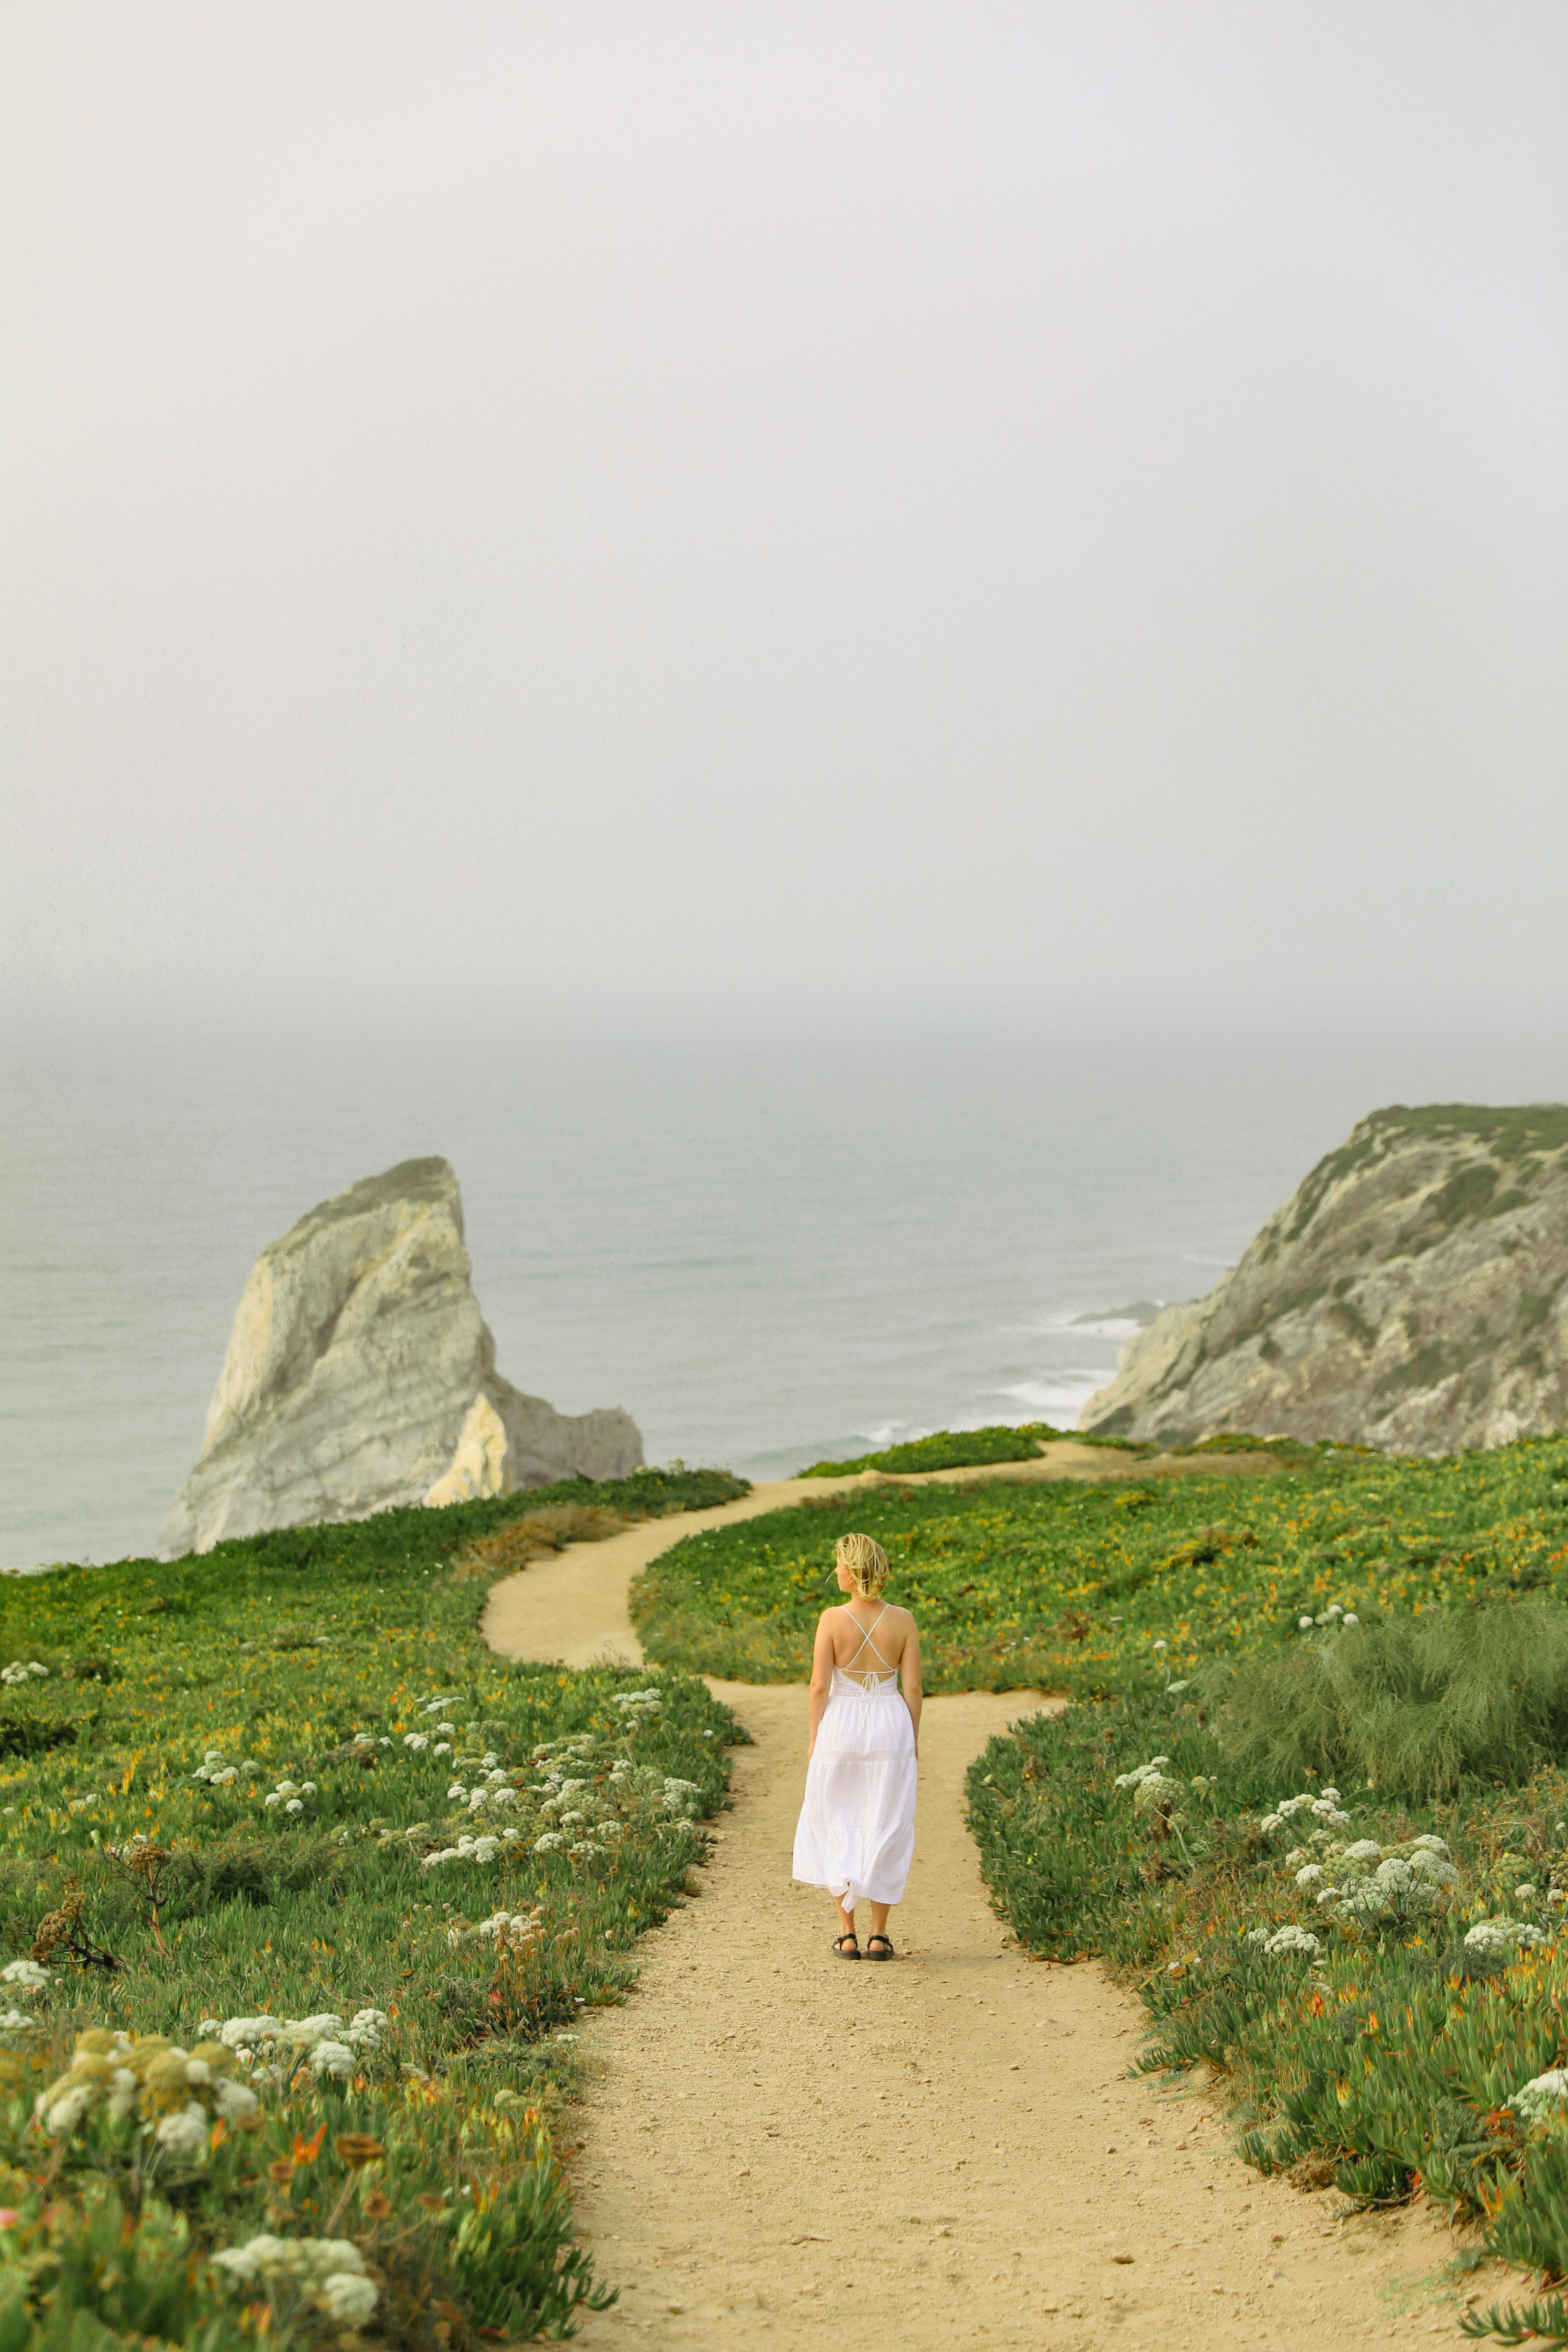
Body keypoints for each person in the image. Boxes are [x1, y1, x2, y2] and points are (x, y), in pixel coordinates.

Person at [791, 1531, 922, 1960]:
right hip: (890, 1721)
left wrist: (814, 1738)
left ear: (854, 1569)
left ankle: (846, 1934)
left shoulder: (831, 1619)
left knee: (836, 1821)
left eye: (840, 1565)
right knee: (886, 1822)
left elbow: (818, 1686)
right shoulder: (903, 1619)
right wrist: (912, 1741)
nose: (836, 1571)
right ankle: (879, 1936)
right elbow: (914, 1690)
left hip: (841, 1726)